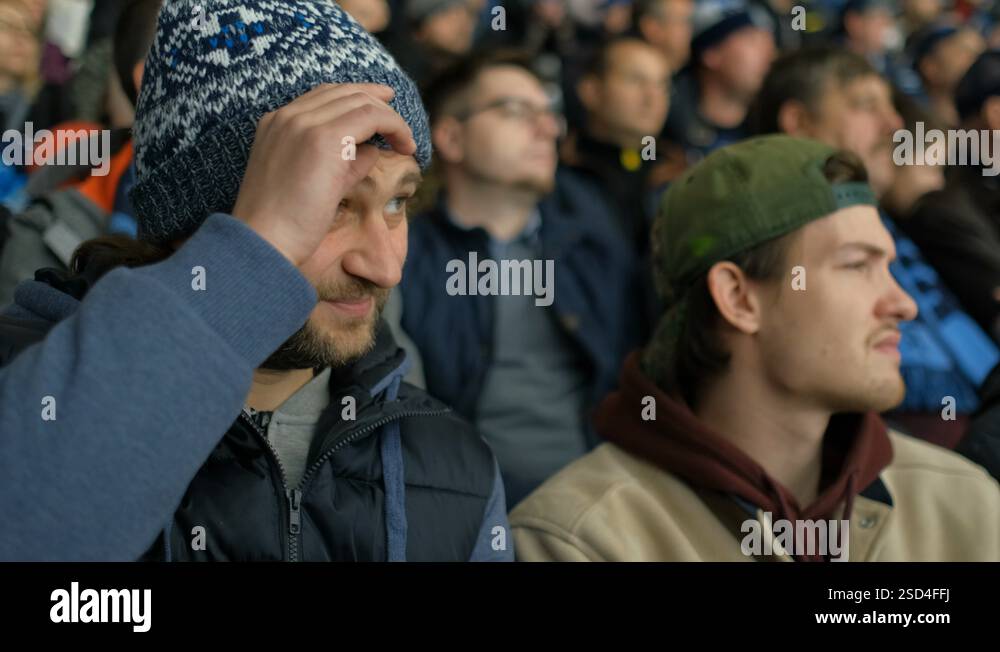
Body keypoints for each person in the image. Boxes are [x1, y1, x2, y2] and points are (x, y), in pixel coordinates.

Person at [0, 0, 510, 562]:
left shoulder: (455, 467)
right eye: (334, 203)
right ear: (209, 219)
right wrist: (257, 253)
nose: (384, 267)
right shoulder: (23, 380)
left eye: (397, 201)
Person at [510, 135, 1000, 561]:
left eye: (890, 266)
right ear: (740, 298)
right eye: (856, 266)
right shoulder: (580, 540)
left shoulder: (963, 500)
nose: (904, 304)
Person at [399, 50, 640, 507]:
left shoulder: (590, 234)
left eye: (549, 114)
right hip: (473, 513)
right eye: (515, 111)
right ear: (450, 137)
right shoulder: (409, 256)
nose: (547, 128)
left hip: (609, 502)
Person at [752, 46, 1000, 449]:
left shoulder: (900, 216)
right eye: (866, 105)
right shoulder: (774, 232)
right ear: (798, 121)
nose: (893, 124)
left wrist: (926, 201)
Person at [0, 0, 157, 307]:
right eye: (9, 28)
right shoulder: (75, 148)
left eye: (29, 32)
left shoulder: (50, 104)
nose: (21, 40)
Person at [662, 0, 774, 163]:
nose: (769, 54)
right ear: (711, 53)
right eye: (752, 40)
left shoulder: (774, 123)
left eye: (769, 42)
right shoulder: (664, 120)